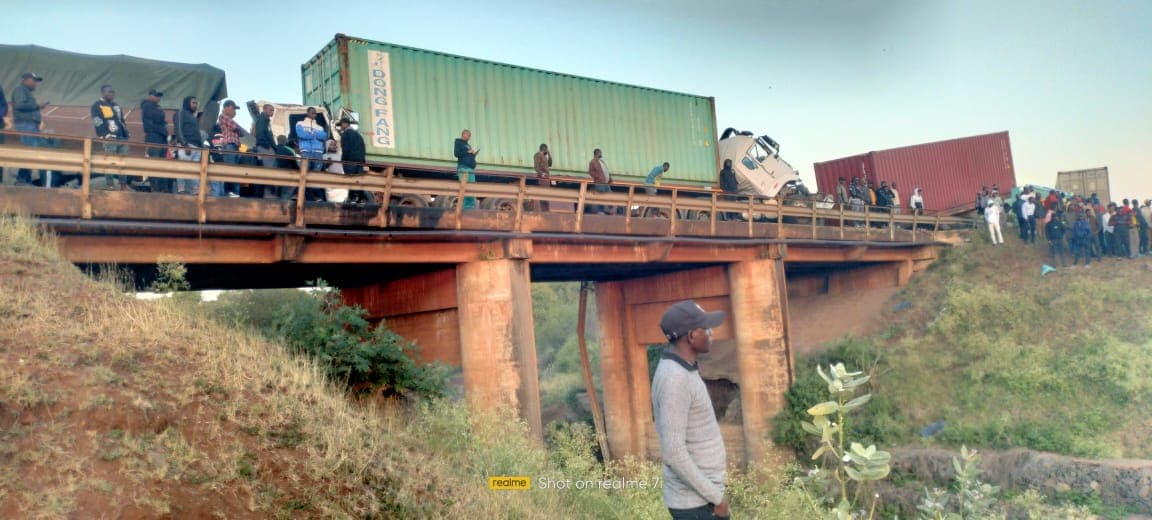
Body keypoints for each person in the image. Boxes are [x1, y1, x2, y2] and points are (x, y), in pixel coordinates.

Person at [653, 301, 730, 520]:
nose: (711, 333)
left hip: (702, 501)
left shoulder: (683, 369)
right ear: (691, 336)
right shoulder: (674, 379)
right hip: (696, 505)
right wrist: (717, 498)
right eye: (706, 328)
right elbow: (674, 453)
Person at [91, 84, 131, 190]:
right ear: (103, 93)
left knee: (123, 162)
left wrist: (126, 131)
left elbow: (121, 120)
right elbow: (97, 122)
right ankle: (110, 185)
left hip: (122, 137)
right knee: (110, 161)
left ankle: (123, 185)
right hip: (110, 138)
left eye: (113, 92)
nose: (112, 94)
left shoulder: (116, 105)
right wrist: (105, 135)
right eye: (109, 92)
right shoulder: (97, 105)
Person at [12, 72, 49, 186]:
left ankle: (24, 179)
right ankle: (22, 179)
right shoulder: (20, 90)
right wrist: (37, 106)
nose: (35, 83)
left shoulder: (26, 91)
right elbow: (19, 105)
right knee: (30, 151)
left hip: (30, 125)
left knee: (31, 151)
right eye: (33, 80)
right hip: (26, 125)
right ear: (25, 80)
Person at [140, 89, 171, 192]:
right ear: (150, 96)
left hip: (161, 136)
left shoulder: (157, 106)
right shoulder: (147, 105)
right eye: (156, 95)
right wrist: (162, 125)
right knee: (155, 162)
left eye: (159, 96)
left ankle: (163, 188)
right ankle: (155, 188)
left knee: (162, 163)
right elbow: (155, 119)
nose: (158, 98)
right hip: (153, 136)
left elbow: (160, 120)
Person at [216, 100, 249, 197]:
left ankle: (233, 193)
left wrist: (239, 130)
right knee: (230, 170)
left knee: (234, 171)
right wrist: (239, 129)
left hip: (234, 146)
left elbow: (241, 133)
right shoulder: (223, 116)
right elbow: (237, 128)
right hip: (229, 145)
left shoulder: (228, 119)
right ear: (226, 107)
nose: (235, 111)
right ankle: (229, 193)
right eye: (233, 108)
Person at [173, 96, 203, 195]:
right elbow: (178, 129)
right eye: (193, 103)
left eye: (196, 103)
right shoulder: (180, 113)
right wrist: (184, 144)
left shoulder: (193, 116)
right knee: (183, 168)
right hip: (187, 145)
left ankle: (195, 192)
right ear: (187, 103)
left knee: (195, 171)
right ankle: (181, 190)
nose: (195, 105)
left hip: (197, 147)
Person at [337, 117, 369, 205]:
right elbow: (363, 148)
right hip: (360, 161)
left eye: (341, 124)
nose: (341, 127)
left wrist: (343, 160)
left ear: (345, 124)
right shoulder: (358, 135)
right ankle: (361, 198)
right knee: (358, 180)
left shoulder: (345, 134)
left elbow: (346, 149)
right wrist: (362, 160)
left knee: (350, 179)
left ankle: (352, 198)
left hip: (350, 161)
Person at [453, 129, 479, 209]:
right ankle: (464, 208)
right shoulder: (458, 142)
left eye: (470, 136)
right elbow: (456, 154)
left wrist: (474, 154)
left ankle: (470, 208)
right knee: (464, 189)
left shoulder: (468, 145)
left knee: (471, 189)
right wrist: (468, 152)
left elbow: (468, 155)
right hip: (463, 168)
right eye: (468, 135)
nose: (469, 137)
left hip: (471, 169)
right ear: (463, 134)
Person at [587, 148, 612, 215]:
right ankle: (600, 211)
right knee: (601, 195)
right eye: (600, 153)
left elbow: (606, 170)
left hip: (606, 182)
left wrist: (610, 177)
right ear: (596, 153)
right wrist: (597, 176)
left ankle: (609, 210)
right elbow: (590, 172)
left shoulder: (602, 161)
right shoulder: (592, 162)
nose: (601, 154)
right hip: (599, 182)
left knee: (610, 194)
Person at [253, 104, 277, 169]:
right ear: (264, 110)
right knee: (270, 169)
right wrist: (268, 147)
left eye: (273, 110)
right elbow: (260, 134)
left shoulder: (266, 120)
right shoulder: (262, 119)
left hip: (265, 147)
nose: (272, 112)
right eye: (270, 110)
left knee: (270, 167)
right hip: (265, 148)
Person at [323, 139, 346, 204]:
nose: (334, 146)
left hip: (341, 181)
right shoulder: (324, 156)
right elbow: (322, 169)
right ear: (327, 146)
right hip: (330, 182)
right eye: (331, 145)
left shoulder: (341, 156)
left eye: (335, 145)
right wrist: (327, 164)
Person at [533, 143, 552, 211]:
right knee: (543, 195)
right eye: (546, 149)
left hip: (546, 178)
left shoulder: (544, 156)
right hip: (542, 178)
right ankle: (543, 210)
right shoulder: (537, 155)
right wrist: (541, 174)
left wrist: (549, 154)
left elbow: (550, 164)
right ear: (544, 149)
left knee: (546, 195)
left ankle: (546, 210)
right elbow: (536, 166)